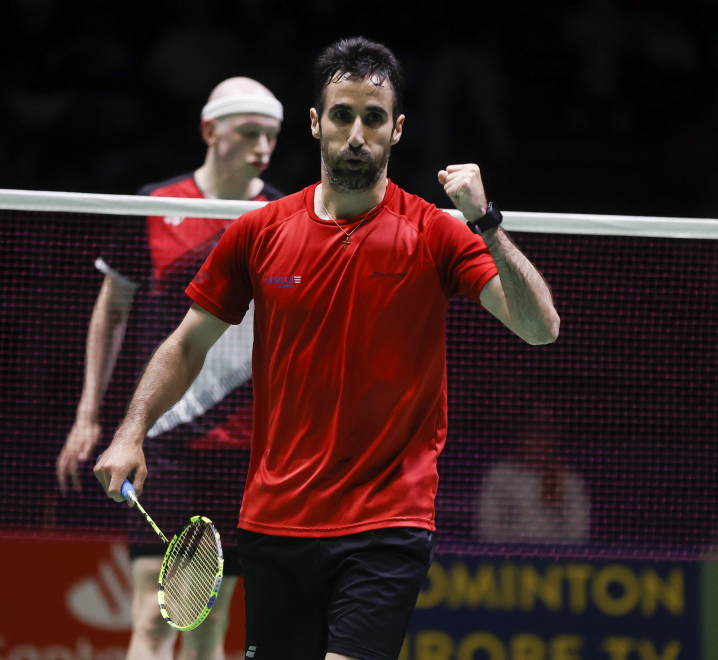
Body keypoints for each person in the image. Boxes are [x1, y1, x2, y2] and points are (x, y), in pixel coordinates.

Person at [95, 37, 559, 660]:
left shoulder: (434, 233)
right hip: (276, 519)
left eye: (373, 118)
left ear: (397, 129)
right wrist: (131, 432)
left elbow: (539, 327)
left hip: (385, 520)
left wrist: (487, 221)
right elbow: (185, 345)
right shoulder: (259, 232)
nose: (356, 133)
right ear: (317, 122)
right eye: (342, 115)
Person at [57, 77, 283, 660]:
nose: (263, 147)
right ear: (210, 131)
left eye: (272, 136)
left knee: (209, 625)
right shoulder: (157, 205)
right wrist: (88, 416)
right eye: (250, 133)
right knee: (154, 620)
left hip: (247, 446)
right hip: (162, 442)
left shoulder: (280, 219)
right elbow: (111, 312)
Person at [477, 415, 590, 544]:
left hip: (555, 557)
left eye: (545, 435)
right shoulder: (501, 477)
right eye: (534, 434)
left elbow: (578, 531)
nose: (539, 442)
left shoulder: (568, 480)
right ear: (522, 436)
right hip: (508, 557)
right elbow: (487, 528)